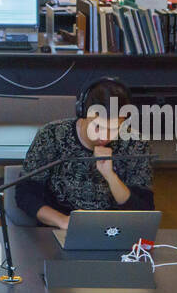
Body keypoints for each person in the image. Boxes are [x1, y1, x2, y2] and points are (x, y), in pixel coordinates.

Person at [16, 77, 154, 229]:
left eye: (114, 129)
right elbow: (25, 194)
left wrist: (111, 177)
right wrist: (63, 221)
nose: (105, 137)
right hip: (59, 227)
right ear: (82, 113)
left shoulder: (135, 143)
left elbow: (144, 210)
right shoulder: (52, 135)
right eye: (97, 127)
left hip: (114, 229)